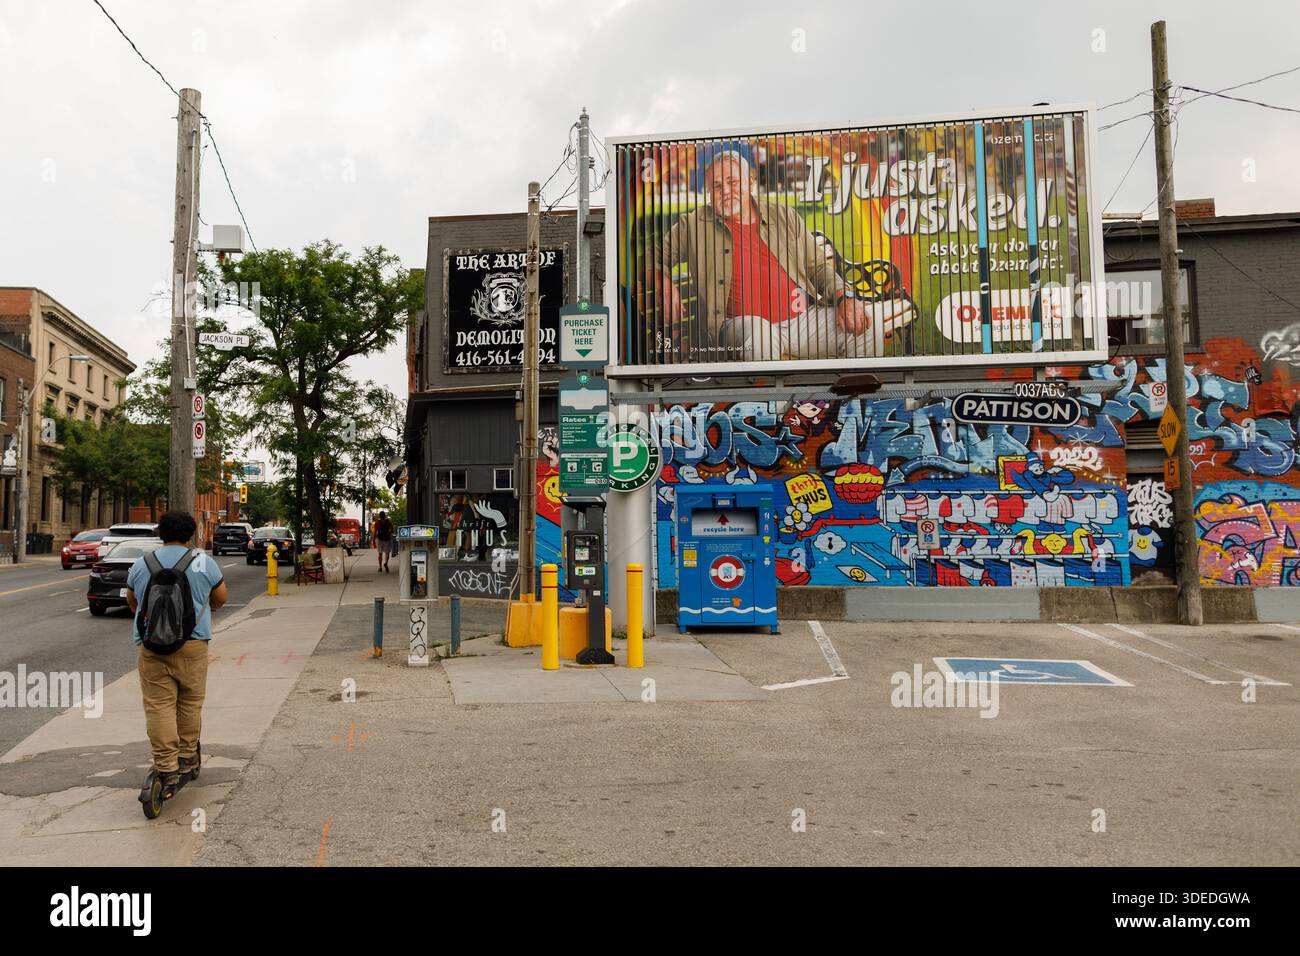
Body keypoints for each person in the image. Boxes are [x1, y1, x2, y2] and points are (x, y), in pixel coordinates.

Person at [652, 149, 915, 361]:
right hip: (737, 327)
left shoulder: (784, 216)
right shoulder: (694, 225)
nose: (726, 191)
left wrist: (844, 297)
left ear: (751, 183)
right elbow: (653, 256)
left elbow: (818, 267)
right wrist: (664, 284)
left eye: (733, 182)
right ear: (709, 191)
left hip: (801, 319)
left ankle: (854, 415)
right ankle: (771, 422)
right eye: (717, 186)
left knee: (867, 326)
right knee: (762, 334)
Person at [125, 511, 228, 792]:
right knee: (190, 702)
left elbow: (133, 602)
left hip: (151, 646)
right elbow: (220, 598)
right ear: (191, 534)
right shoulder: (203, 562)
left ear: (160, 533)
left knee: (159, 706)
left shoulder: (141, 564)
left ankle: (166, 766)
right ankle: (186, 757)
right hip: (193, 644)